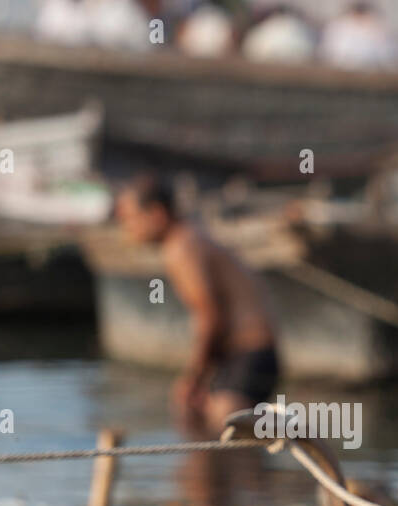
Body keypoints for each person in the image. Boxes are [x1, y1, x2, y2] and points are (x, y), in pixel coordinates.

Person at [114, 174, 279, 434]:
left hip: (248, 355)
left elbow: (210, 317)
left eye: (130, 218)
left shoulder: (181, 246)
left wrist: (193, 377)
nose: (127, 228)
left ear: (156, 214)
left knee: (230, 433)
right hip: (239, 356)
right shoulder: (189, 239)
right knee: (201, 425)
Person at [318, 0, 398, 71]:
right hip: (341, 75)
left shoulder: (378, 27)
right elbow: (330, 54)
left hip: (375, 76)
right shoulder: (340, 26)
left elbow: (394, 58)